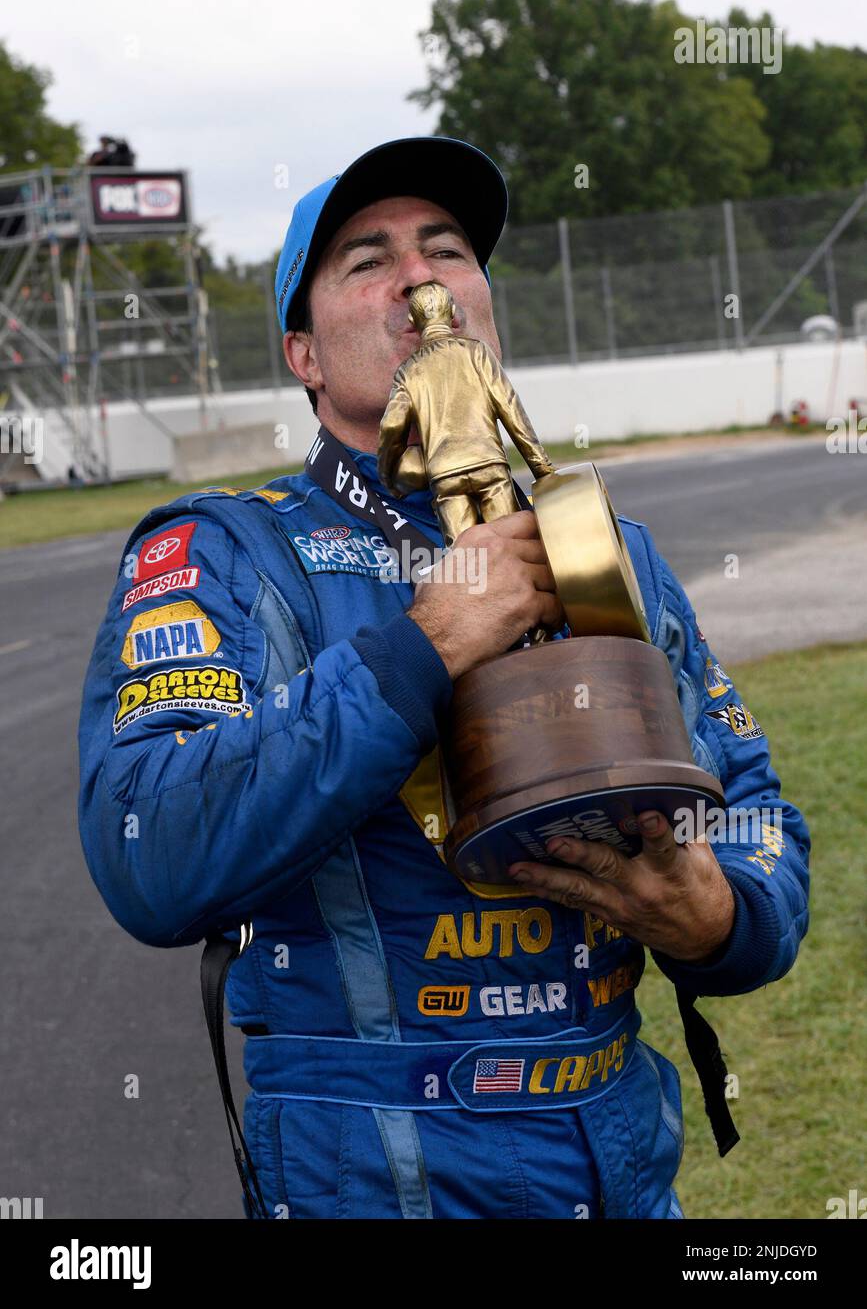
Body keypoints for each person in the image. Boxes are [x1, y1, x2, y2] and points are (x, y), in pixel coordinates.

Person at [78, 135, 810, 1220]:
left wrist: (720, 917)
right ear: (304, 353)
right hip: (374, 1171)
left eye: (447, 250)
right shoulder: (227, 554)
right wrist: (422, 646)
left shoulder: (611, 550)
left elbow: (759, 819)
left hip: (616, 1156)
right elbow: (150, 847)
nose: (420, 283)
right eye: (367, 261)